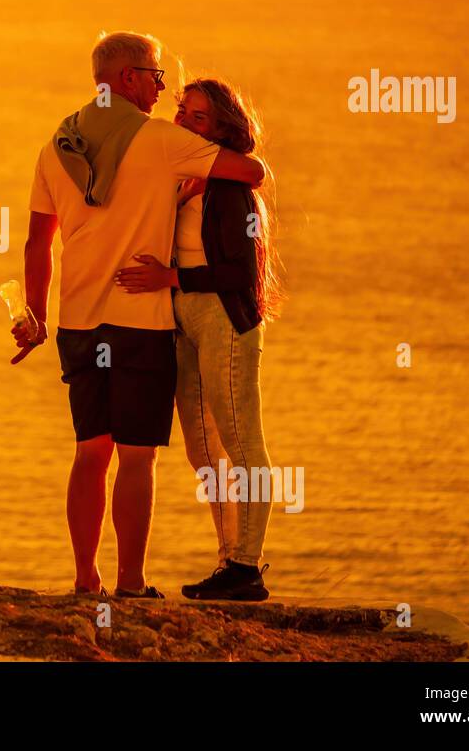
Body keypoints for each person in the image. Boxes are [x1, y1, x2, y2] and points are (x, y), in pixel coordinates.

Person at [12, 32, 264, 598]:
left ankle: (85, 579)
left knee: (88, 452)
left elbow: (36, 241)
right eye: (155, 77)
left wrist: (34, 315)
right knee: (135, 457)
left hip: (78, 320)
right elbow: (253, 173)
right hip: (140, 321)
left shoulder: (59, 144)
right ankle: (130, 582)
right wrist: (200, 177)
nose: (160, 88)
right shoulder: (162, 140)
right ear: (128, 79)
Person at [115, 78, 282, 601]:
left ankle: (247, 566)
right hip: (183, 320)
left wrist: (170, 279)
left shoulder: (231, 188)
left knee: (240, 439)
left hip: (223, 319)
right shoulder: (183, 175)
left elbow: (237, 273)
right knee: (202, 447)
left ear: (223, 129)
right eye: (182, 112)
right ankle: (228, 560)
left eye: (199, 117)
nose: (184, 122)